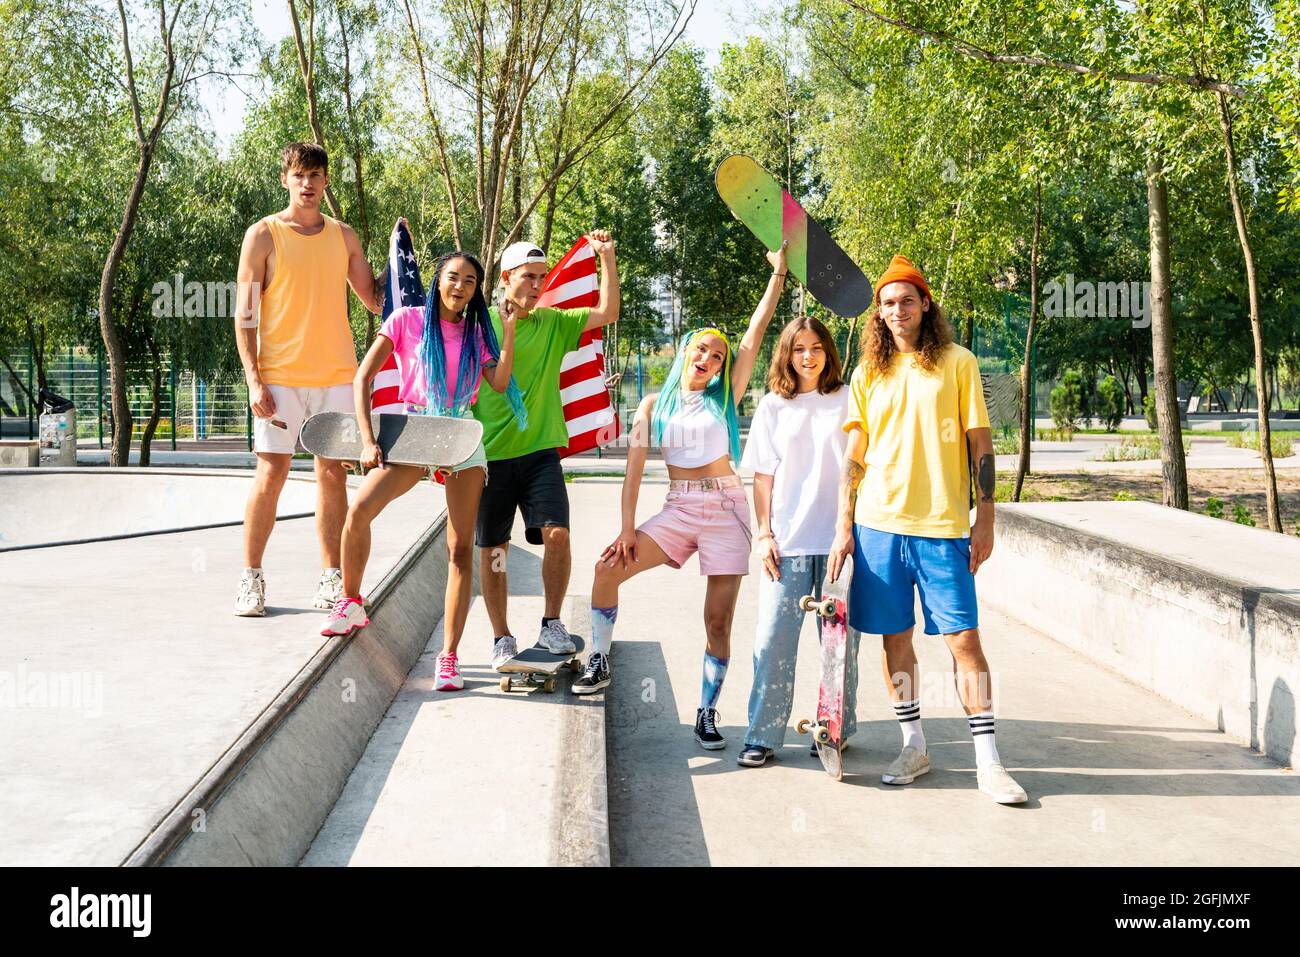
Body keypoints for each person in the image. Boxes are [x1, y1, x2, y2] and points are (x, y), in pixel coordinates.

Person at [574, 244, 789, 755]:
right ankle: (600, 659)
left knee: (718, 620)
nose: (709, 358)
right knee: (607, 569)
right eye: (703, 349)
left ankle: (708, 711)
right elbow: (631, 477)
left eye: (718, 355)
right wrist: (627, 529)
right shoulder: (653, 404)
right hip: (678, 507)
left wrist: (778, 274)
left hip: (727, 510)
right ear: (685, 348)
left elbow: (756, 334)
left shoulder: (724, 396)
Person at [828, 255, 1028, 804]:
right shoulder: (868, 371)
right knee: (896, 641)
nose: (897, 310)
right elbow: (855, 456)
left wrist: (985, 516)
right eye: (887, 303)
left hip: (942, 527)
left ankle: (988, 762)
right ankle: (913, 744)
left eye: (906, 301)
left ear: (925, 304)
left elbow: (981, 446)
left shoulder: (959, 363)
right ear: (879, 313)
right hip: (878, 527)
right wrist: (843, 525)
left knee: (965, 641)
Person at [320, 250, 526, 692]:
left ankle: (448, 658)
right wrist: (368, 440)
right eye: (453, 277)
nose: (460, 287)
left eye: (470, 282)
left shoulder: (478, 332)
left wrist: (507, 330)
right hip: (414, 431)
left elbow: (500, 383)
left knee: (457, 551)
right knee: (358, 510)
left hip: (460, 437)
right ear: (438, 280)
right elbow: (363, 379)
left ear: (476, 292)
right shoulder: (406, 320)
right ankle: (351, 602)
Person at [233, 142, 386, 616]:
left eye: (315, 175)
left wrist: (402, 260)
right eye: (299, 175)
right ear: (286, 180)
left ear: (325, 182)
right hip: (278, 378)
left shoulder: (344, 237)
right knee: (272, 473)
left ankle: (331, 578)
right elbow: (244, 317)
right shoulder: (262, 235)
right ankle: (252, 579)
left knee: (330, 474)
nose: (307, 183)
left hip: (337, 376)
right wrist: (255, 381)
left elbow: (376, 300)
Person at [473, 232, 620, 669]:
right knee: (494, 550)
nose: (537, 285)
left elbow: (608, 312)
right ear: (505, 278)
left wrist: (607, 258)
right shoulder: (481, 325)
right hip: (490, 457)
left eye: (541, 277)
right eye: (528, 278)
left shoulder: (555, 321)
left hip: (540, 453)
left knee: (558, 534)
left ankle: (551, 623)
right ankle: (501, 637)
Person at [736, 315, 860, 766]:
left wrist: (847, 532)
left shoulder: (848, 399)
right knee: (772, 641)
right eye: (798, 349)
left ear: (829, 351)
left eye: (816, 347)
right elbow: (763, 478)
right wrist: (764, 534)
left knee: (838, 647)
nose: (808, 356)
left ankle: (833, 730)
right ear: (786, 355)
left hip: (838, 545)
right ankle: (762, 735)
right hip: (785, 545)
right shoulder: (773, 405)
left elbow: (859, 468)